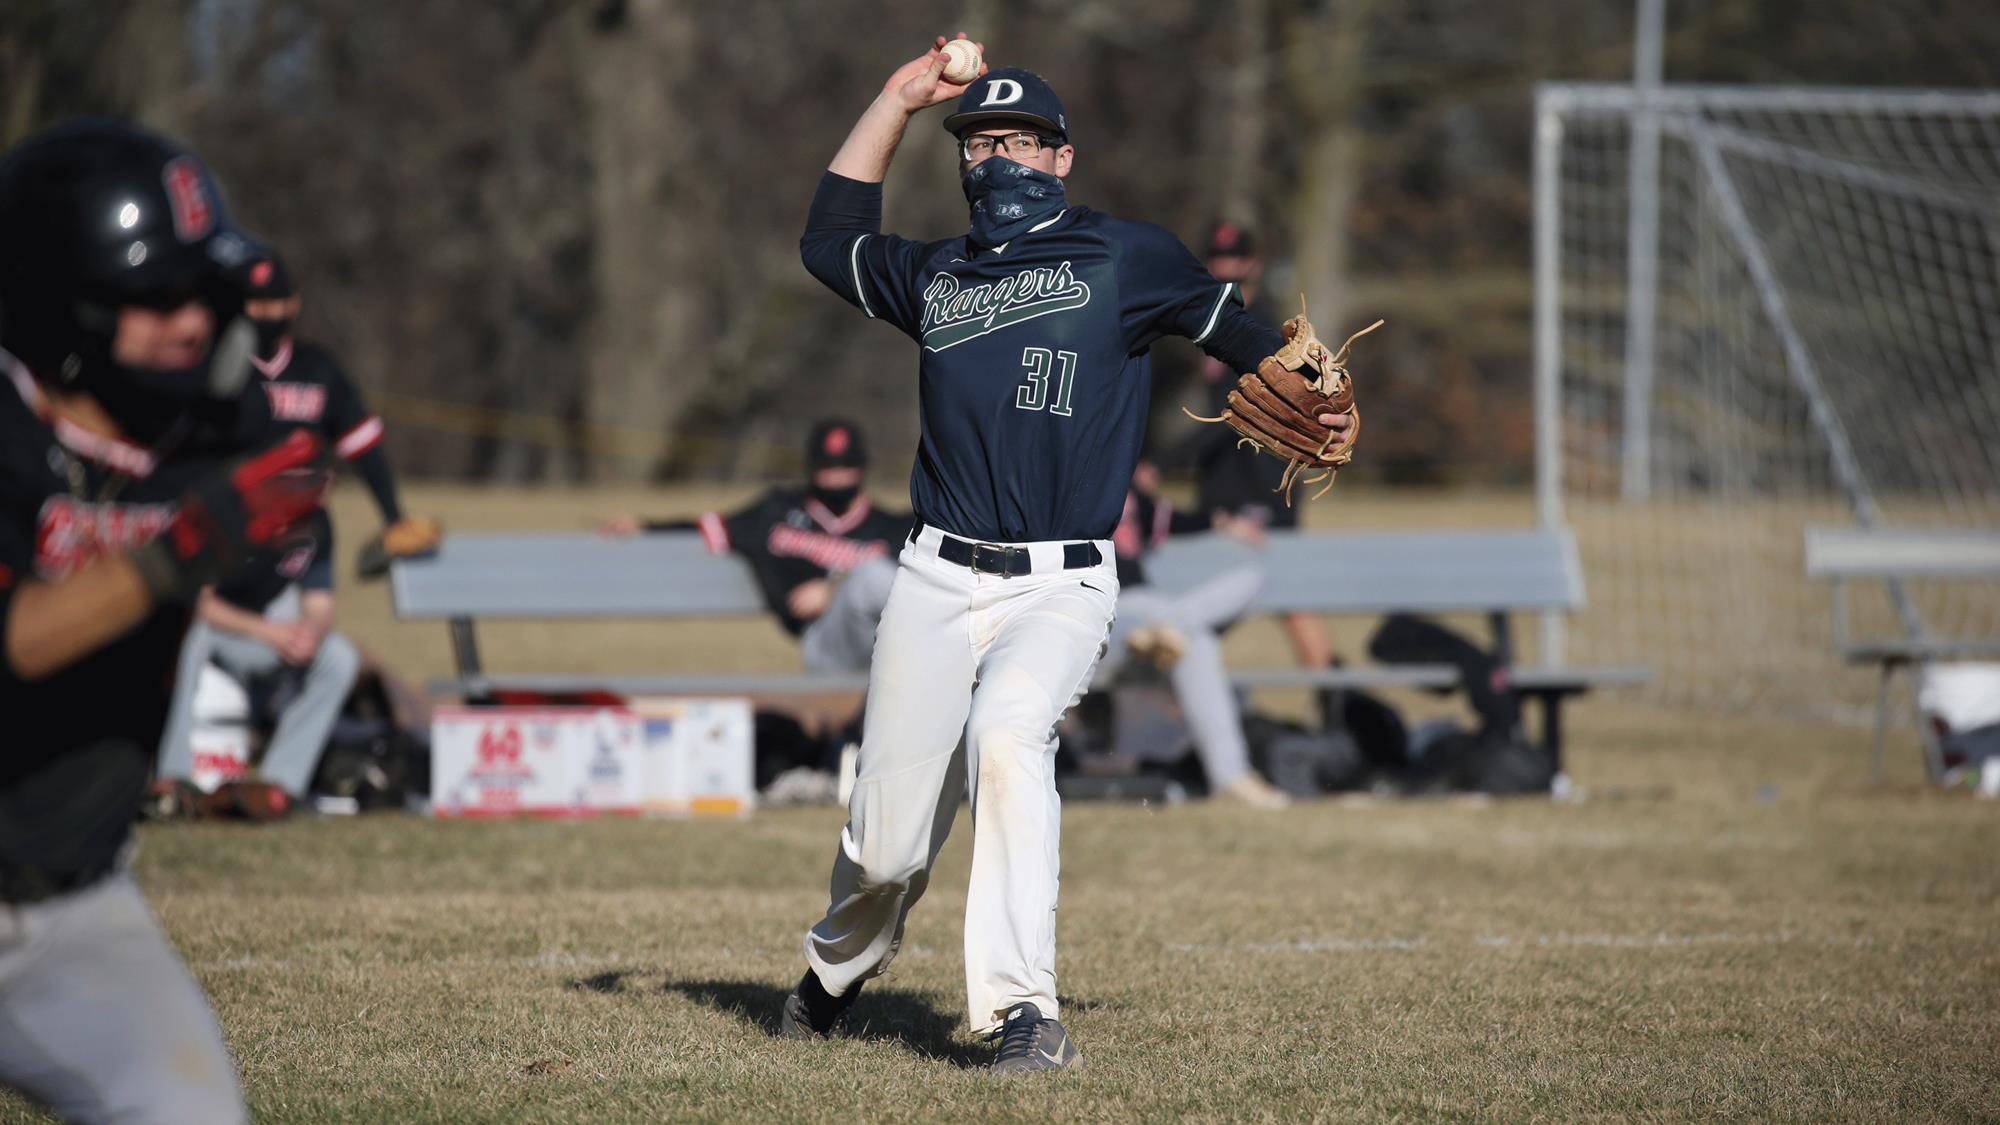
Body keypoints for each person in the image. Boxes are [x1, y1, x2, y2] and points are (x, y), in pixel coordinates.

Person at [781, 39, 1353, 1071]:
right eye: (978, 140)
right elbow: (829, 239)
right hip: (933, 577)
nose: (995, 155)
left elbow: (1249, 338)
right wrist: (895, 100)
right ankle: (832, 972)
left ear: (1059, 158)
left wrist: (1314, 378)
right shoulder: (935, 272)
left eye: (1018, 140)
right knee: (888, 845)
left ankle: (1017, 1011)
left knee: (1007, 739)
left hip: (1062, 581)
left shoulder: (1125, 256)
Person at [0, 120, 331, 1123]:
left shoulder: (214, 426)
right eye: (154, 297)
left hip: (68, 902)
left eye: (200, 291)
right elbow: (17, 640)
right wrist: (180, 550)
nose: (189, 322)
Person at [1154, 221, 1344, 677]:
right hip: (1223, 484)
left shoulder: (1263, 328)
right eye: (1217, 262)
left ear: (1252, 264)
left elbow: (1232, 417)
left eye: (1234, 262)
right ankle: (1193, 704)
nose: (1225, 270)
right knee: (1207, 606)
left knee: (1290, 602)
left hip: (1263, 486)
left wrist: (1159, 464)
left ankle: (1338, 704)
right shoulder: (1212, 321)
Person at [600, 418, 911, 673]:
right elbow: (709, 529)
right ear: (811, 469)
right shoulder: (774, 515)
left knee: (885, 578)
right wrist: (646, 527)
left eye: (845, 469)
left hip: (889, 649)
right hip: (825, 647)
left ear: (862, 469)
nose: (836, 480)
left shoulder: (894, 526)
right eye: (827, 469)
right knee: (872, 576)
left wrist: (833, 589)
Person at [225, 249, 437, 564]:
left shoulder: (318, 368)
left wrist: (394, 517)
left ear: (293, 302)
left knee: (316, 611)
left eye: (274, 301)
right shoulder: (220, 367)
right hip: (232, 528)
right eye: (255, 302)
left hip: (305, 526)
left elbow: (363, 446)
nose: (266, 313)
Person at [1100, 476, 1292, 809]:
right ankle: (1230, 776)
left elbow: (1173, 518)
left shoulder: (1118, 480)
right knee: (1197, 642)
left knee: (1253, 578)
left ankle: (1164, 628)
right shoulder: (1054, 477)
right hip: (1104, 615)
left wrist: (1223, 521)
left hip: (1149, 608)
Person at [154, 510, 361, 812]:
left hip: (257, 634)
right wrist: (268, 631)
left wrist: (310, 633)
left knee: (339, 656)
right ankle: (172, 782)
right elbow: (195, 601)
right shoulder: (239, 510)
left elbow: (320, 604)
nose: (324, 481)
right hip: (209, 626)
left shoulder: (319, 521)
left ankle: (277, 788)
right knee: (189, 634)